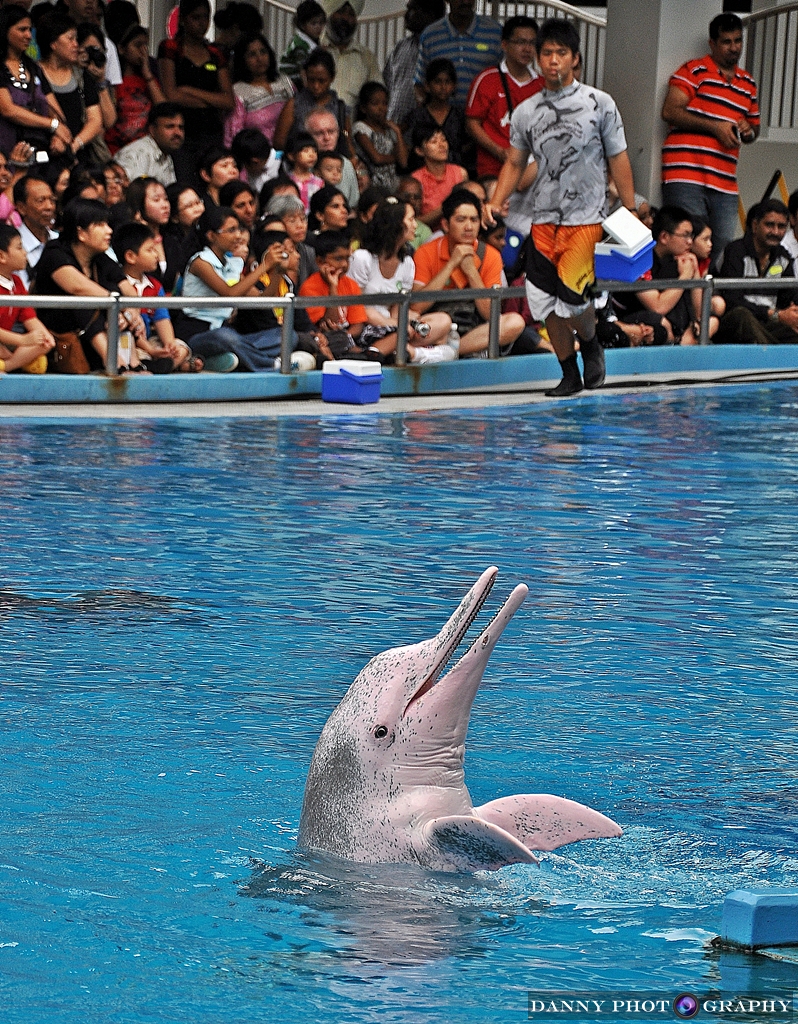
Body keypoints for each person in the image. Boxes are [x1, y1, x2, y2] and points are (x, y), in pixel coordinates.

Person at [486, 18, 638, 396]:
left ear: (575, 59)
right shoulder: (525, 112)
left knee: (573, 301)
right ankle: (569, 372)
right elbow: (515, 162)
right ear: (537, 59)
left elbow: (618, 157)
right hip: (542, 223)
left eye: (561, 53)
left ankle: (591, 343)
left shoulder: (599, 104)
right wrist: (494, 200)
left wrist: (630, 207)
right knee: (542, 304)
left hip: (586, 220)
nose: (553, 60)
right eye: (547, 53)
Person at [661, 12, 759, 260]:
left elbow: (754, 130)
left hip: (724, 180)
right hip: (685, 173)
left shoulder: (748, 83)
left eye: (738, 41)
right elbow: (670, 111)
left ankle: (701, 296)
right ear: (712, 43)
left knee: (722, 241)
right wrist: (716, 127)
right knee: (687, 240)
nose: (734, 48)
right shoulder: (694, 70)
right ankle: (684, 296)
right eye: (726, 42)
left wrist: (748, 130)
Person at [33, 196, 148, 373]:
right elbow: (77, 287)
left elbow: (127, 289)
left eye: (108, 224)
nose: (109, 231)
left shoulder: (99, 258)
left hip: (89, 337)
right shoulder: (54, 253)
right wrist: (118, 307)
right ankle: (116, 364)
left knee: (114, 293)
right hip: (59, 335)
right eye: (100, 225)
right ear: (81, 233)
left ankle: (133, 363)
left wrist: (130, 311)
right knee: (86, 303)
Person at [412, 188, 524, 357]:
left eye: (474, 219)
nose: (469, 227)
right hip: (438, 326)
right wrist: (451, 265)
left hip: (474, 332)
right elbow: (416, 306)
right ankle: (442, 348)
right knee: (422, 321)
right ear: (445, 224)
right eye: (461, 220)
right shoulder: (425, 252)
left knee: (515, 322)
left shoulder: (491, 255)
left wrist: (472, 272)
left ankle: (450, 351)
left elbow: (491, 315)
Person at [348, 194, 453, 364]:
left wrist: (400, 322)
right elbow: (356, 306)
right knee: (408, 331)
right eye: (411, 219)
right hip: (363, 324)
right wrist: (394, 324)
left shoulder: (407, 263)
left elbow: (398, 308)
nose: (415, 224)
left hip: (393, 326)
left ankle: (400, 350)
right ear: (396, 224)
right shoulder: (362, 258)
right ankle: (407, 352)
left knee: (442, 320)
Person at [113, 220, 201, 371]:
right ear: (130, 256)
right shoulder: (119, 284)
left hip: (151, 341)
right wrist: (150, 350)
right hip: (134, 345)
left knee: (181, 348)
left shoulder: (155, 286)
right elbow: (131, 330)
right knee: (129, 351)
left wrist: (169, 345)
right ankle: (167, 366)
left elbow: (162, 318)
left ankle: (163, 365)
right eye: (150, 250)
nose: (156, 255)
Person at [611, 206, 702, 346]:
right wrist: (685, 276)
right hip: (628, 318)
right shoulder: (640, 259)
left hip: (661, 319)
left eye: (691, 236)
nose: (690, 241)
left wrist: (694, 272)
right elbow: (658, 306)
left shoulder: (679, 261)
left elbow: (699, 313)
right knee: (662, 323)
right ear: (664, 237)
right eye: (685, 235)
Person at [157, 0, 234, 167]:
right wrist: (212, 101)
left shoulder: (215, 53)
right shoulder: (171, 48)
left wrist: (189, 90)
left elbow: (228, 101)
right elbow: (171, 94)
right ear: (183, 19)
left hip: (211, 130)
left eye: (206, 18)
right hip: (182, 129)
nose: (202, 24)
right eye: (196, 18)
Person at [465, 16, 541, 179]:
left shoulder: (543, 85)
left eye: (532, 43)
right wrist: (499, 151)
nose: (527, 49)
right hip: (493, 170)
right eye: (520, 42)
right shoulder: (486, 79)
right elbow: (472, 124)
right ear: (504, 44)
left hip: (533, 172)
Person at [714, 199, 798, 345]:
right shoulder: (735, 251)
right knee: (742, 315)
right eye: (769, 225)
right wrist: (774, 314)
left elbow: (789, 298)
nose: (776, 232)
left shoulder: (783, 257)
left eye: (782, 226)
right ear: (755, 225)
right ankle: (770, 358)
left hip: (767, 324)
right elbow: (732, 301)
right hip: (729, 323)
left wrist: (792, 313)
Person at [37, 10, 104, 160]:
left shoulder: (81, 75)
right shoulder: (34, 75)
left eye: (76, 39)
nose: (77, 45)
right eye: (70, 39)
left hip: (78, 156)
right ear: (53, 43)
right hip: (42, 153)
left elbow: (95, 120)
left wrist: (73, 146)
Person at [413, 0, 502, 111]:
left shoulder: (495, 33)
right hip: (442, 123)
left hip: (483, 121)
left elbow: (507, 80)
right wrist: (428, 116)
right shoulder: (430, 36)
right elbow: (419, 84)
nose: (465, 1)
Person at [273, 48, 353, 161]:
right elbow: (279, 142)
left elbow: (347, 142)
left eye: (321, 81)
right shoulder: (294, 104)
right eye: (311, 80)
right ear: (305, 75)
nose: (316, 86)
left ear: (332, 78)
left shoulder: (339, 107)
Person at [223, 32, 294, 150]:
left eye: (263, 52)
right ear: (242, 60)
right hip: (256, 159)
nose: (259, 58)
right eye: (252, 55)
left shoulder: (285, 82)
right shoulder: (239, 92)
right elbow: (233, 136)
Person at [0, 221, 54, 373]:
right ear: (1, 256)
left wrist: (44, 336)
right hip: (8, 341)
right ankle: (11, 365)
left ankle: (6, 366)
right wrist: (22, 340)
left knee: (41, 355)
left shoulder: (17, 283)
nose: (25, 252)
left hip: (7, 344)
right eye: (19, 247)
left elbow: (29, 317)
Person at [383, 0, 445, 130]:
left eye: (413, 10)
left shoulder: (441, 50)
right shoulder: (401, 46)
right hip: (394, 132)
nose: (407, 15)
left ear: (431, 15)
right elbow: (387, 86)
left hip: (424, 134)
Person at [105, 22, 165, 154]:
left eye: (145, 46)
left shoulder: (149, 81)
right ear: (121, 49)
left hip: (144, 151)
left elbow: (163, 109)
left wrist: (147, 73)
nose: (143, 51)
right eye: (138, 45)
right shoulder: (113, 81)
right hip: (115, 150)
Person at [319, 0, 381, 115]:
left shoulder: (366, 57)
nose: (345, 19)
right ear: (329, 13)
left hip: (351, 130)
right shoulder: (313, 50)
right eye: (341, 12)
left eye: (351, 14)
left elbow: (377, 97)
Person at [404, 58, 466, 171]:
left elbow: (467, 147)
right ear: (427, 86)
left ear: (454, 86)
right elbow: (408, 147)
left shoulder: (460, 116)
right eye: (437, 82)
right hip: (422, 173)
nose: (443, 87)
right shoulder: (416, 116)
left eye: (447, 82)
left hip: (456, 173)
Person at [351, 81, 407, 192]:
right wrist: (396, 158)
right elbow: (377, 158)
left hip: (392, 182)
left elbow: (404, 162)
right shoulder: (360, 128)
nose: (381, 108)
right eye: (375, 104)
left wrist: (397, 132)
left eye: (385, 103)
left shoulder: (390, 131)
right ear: (363, 108)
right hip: (371, 184)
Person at [410, 123, 467, 229]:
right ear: (419, 151)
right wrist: (446, 205)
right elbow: (413, 220)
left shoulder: (460, 173)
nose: (442, 145)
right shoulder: (415, 180)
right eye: (434, 141)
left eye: (443, 140)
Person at [115, 101, 184, 186]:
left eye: (181, 127)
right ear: (152, 130)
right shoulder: (137, 153)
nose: (177, 133)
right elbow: (131, 194)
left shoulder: (166, 154)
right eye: (170, 127)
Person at [304, 107, 358, 207]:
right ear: (308, 136)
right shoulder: (301, 164)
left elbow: (353, 205)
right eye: (319, 133)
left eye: (331, 132)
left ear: (338, 133)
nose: (327, 138)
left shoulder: (345, 164)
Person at [13, 172, 58, 286]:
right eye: (41, 201)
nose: (49, 206)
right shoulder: (11, 246)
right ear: (21, 208)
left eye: (52, 200)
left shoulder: (60, 240)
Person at [279, 0, 325, 82]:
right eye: (313, 23)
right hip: (291, 83)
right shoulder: (300, 46)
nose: (318, 27)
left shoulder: (309, 41)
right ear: (302, 25)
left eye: (321, 23)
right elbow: (304, 72)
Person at [282, 129, 322, 212]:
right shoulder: (286, 181)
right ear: (291, 156)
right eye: (306, 151)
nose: (312, 155)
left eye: (314, 151)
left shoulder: (319, 182)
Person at [395, 175, 432, 251]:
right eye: (407, 196)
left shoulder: (425, 232)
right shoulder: (386, 225)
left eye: (416, 197)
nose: (412, 201)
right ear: (396, 196)